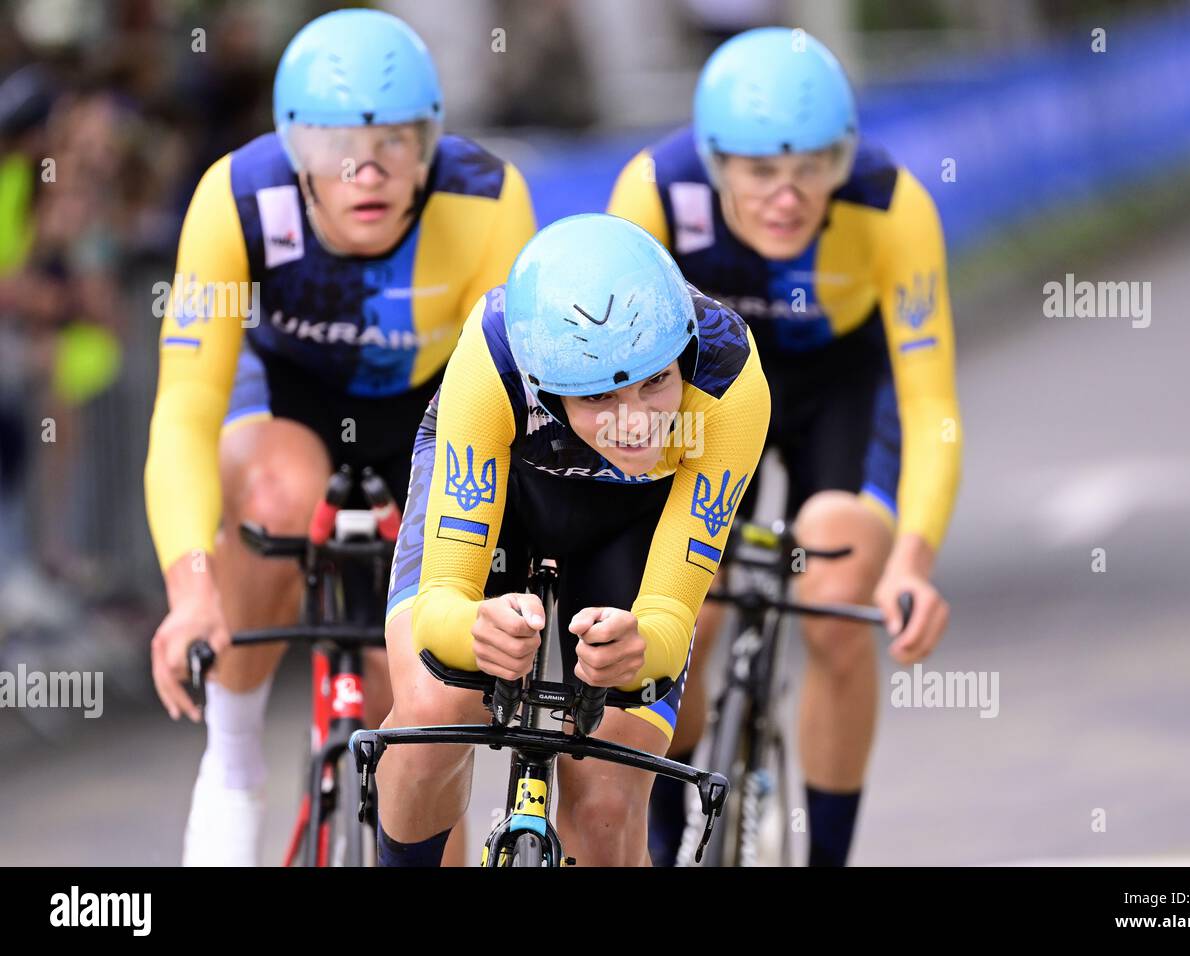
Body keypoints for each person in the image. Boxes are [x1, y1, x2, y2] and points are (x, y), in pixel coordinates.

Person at [144, 9, 535, 866]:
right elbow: (185, 408)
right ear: (294, 152)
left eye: (399, 141)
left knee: (425, 705)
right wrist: (190, 587)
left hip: (431, 411)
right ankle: (235, 754)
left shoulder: (487, 201)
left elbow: (506, 414)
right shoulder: (236, 196)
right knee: (279, 490)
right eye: (335, 148)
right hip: (284, 400)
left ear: (432, 143)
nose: (369, 170)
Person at [607, 27, 963, 866]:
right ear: (716, 162)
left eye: (813, 169)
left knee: (839, 601)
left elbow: (931, 403)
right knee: (680, 616)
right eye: (761, 172)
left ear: (844, 157)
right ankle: (662, 838)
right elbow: (619, 386)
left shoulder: (890, 201)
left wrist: (911, 562)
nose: (789, 196)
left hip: (836, 390)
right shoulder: (656, 190)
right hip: (707, 393)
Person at [376, 213, 769, 866]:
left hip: (636, 518)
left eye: (656, 383)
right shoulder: (495, 356)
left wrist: (641, 649)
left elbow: (670, 620)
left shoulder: (730, 381)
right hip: (510, 501)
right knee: (428, 718)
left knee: (608, 800)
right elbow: (443, 598)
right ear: (545, 388)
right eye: (601, 397)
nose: (637, 424)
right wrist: (470, 627)